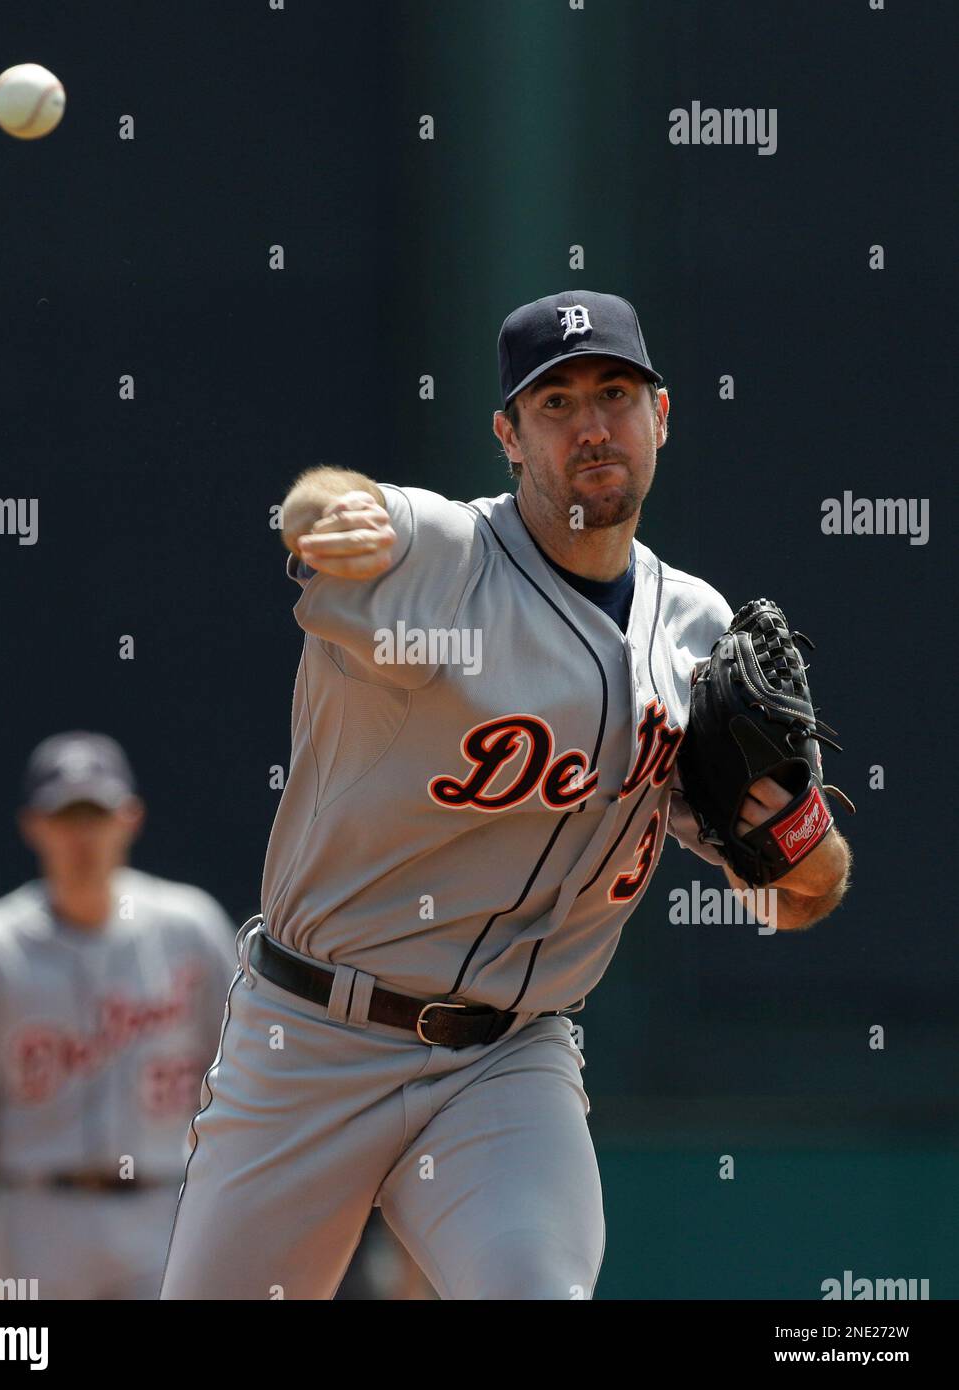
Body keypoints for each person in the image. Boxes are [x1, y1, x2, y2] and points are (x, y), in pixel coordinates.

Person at [159, 290, 851, 1301]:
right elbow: (325, 512)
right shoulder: (444, 557)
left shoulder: (697, 630)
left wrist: (791, 821)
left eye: (615, 393)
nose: (591, 425)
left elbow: (800, 898)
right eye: (555, 402)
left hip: (506, 1063)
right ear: (509, 437)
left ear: (660, 415)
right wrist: (328, 514)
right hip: (312, 1038)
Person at [0, 731, 238, 1300]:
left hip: (165, 1208)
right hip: (35, 1215)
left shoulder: (190, 928)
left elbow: (243, 1083)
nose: (83, 836)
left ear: (130, 819)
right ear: (34, 825)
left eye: (97, 815)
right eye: (67, 817)